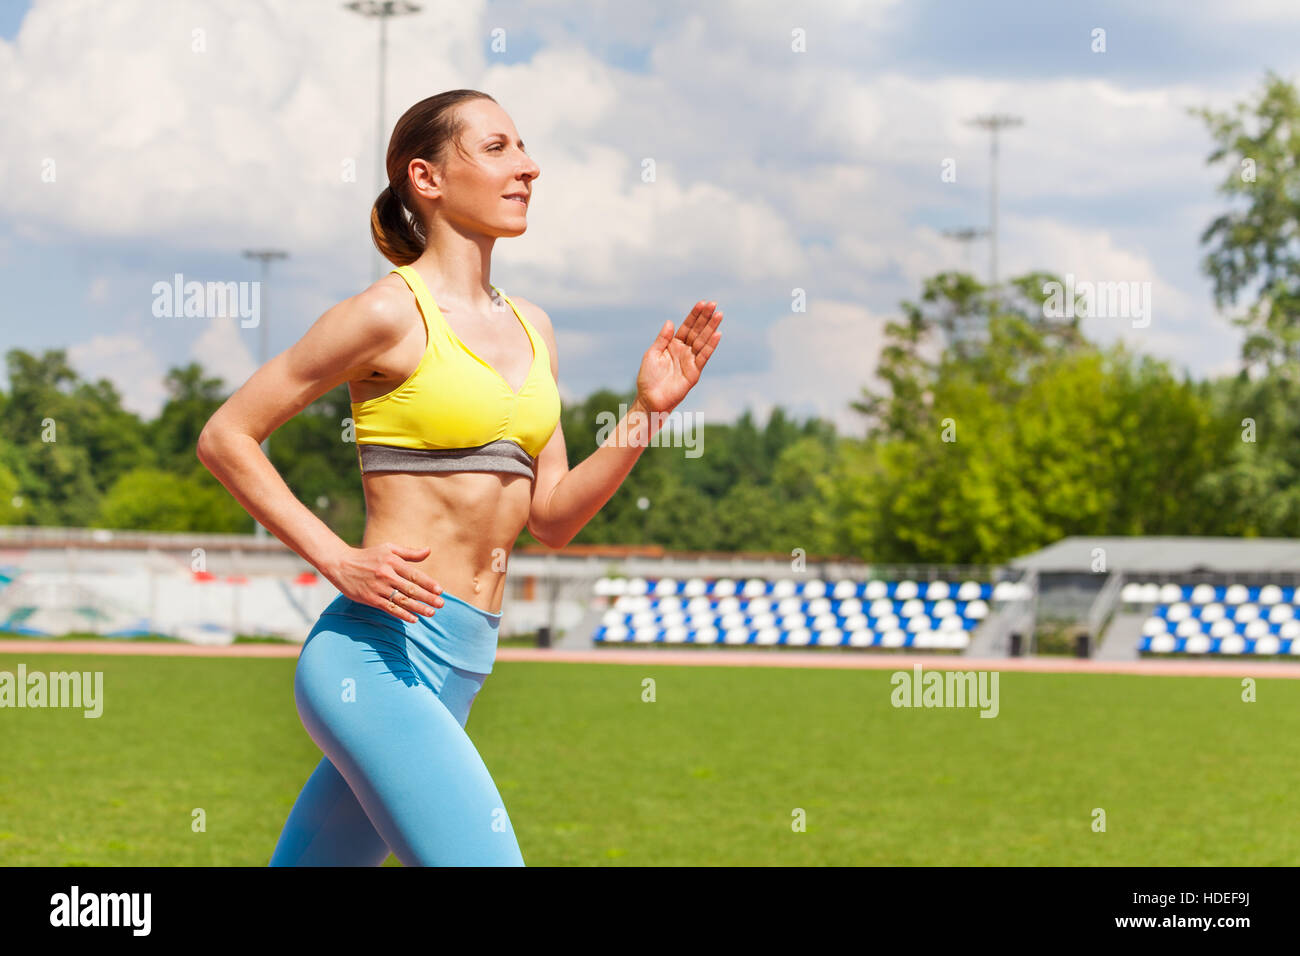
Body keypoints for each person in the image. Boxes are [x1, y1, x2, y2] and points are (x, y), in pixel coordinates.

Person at [196, 89, 723, 865]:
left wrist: (647, 410)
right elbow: (227, 434)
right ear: (428, 178)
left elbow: (553, 516)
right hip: (376, 656)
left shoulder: (533, 326)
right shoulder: (386, 313)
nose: (529, 167)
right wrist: (336, 557)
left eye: (525, 149)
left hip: (465, 660)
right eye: (500, 148)